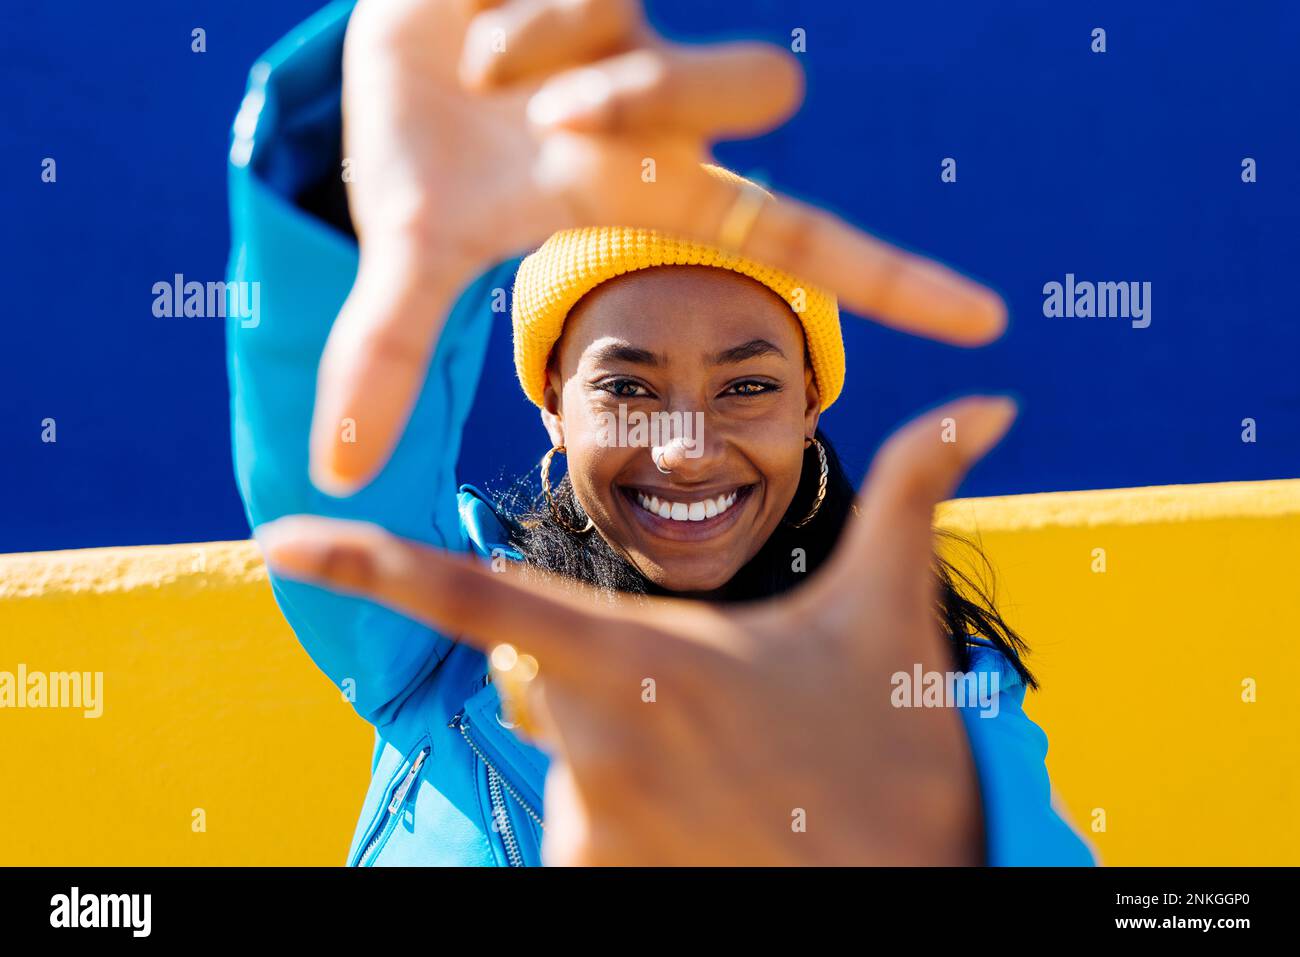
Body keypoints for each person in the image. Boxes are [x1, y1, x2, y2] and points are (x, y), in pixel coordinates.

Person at [234, 0, 1094, 865]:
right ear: (553, 407)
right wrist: (351, 179)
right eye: (629, 388)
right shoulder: (445, 646)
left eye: (747, 386)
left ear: (810, 407)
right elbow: (333, 480)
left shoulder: (939, 686)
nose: (686, 449)